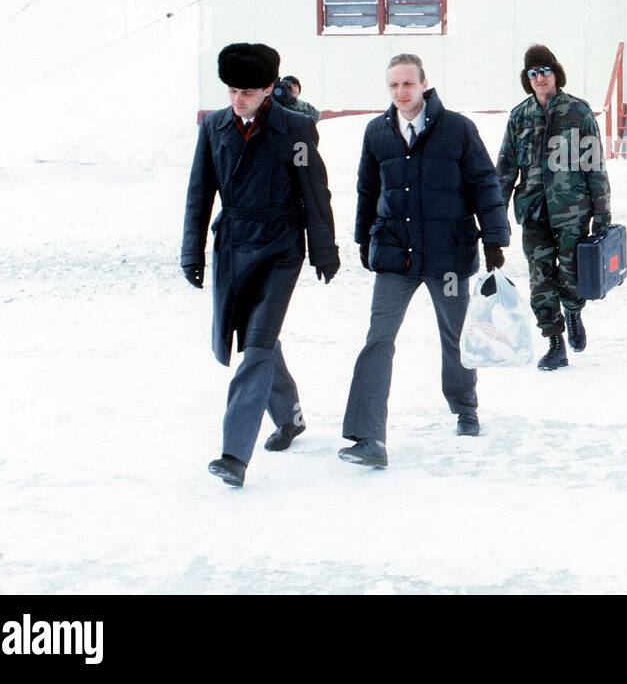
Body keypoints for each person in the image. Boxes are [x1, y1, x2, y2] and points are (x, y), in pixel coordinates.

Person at [181, 43, 340, 488]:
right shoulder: (214, 127)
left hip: (280, 249)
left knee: (256, 346)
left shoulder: (296, 129)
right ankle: (289, 418)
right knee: (258, 339)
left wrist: (323, 249)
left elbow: (314, 192)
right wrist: (191, 251)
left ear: (269, 89)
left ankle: (234, 454)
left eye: (248, 91)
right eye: (232, 90)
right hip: (233, 245)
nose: (238, 100)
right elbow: (199, 193)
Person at [339, 53, 509, 466]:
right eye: (394, 85)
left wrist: (494, 238)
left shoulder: (458, 129)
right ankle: (368, 438)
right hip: (395, 255)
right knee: (378, 339)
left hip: (448, 254)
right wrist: (364, 238)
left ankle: (465, 408)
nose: (401, 92)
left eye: (408, 84)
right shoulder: (377, 133)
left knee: (454, 336)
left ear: (424, 84)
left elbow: (485, 183)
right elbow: (366, 190)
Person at [497, 45, 612, 371]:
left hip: (572, 210)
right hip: (533, 211)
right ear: (527, 79)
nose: (539, 78)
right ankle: (554, 341)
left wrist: (601, 212)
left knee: (572, 275)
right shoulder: (519, 117)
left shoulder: (578, 112)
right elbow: (505, 169)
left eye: (544, 71)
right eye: (533, 74)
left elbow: (594, 165)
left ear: (555, 74)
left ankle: (573, 312)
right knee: (540, 280)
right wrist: (496, 214)